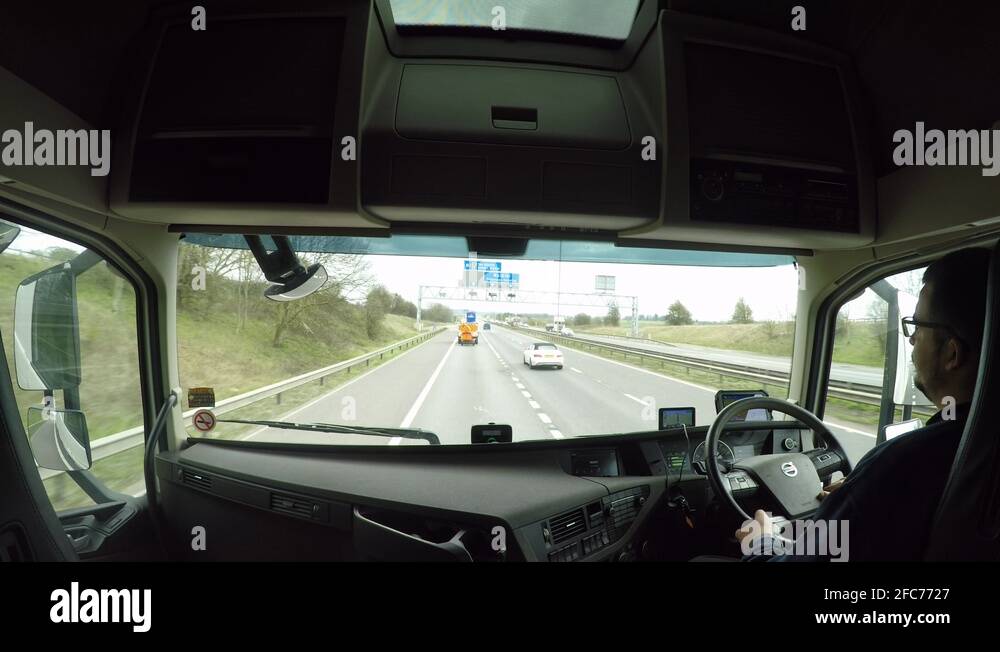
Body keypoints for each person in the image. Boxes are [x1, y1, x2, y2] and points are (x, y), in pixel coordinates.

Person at [738, 247, 991, 561]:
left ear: (952, 353)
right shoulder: (971, 448)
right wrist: (858, 496)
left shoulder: (905, 463)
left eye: (918, 326)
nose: (911, 339)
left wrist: (761, 540)